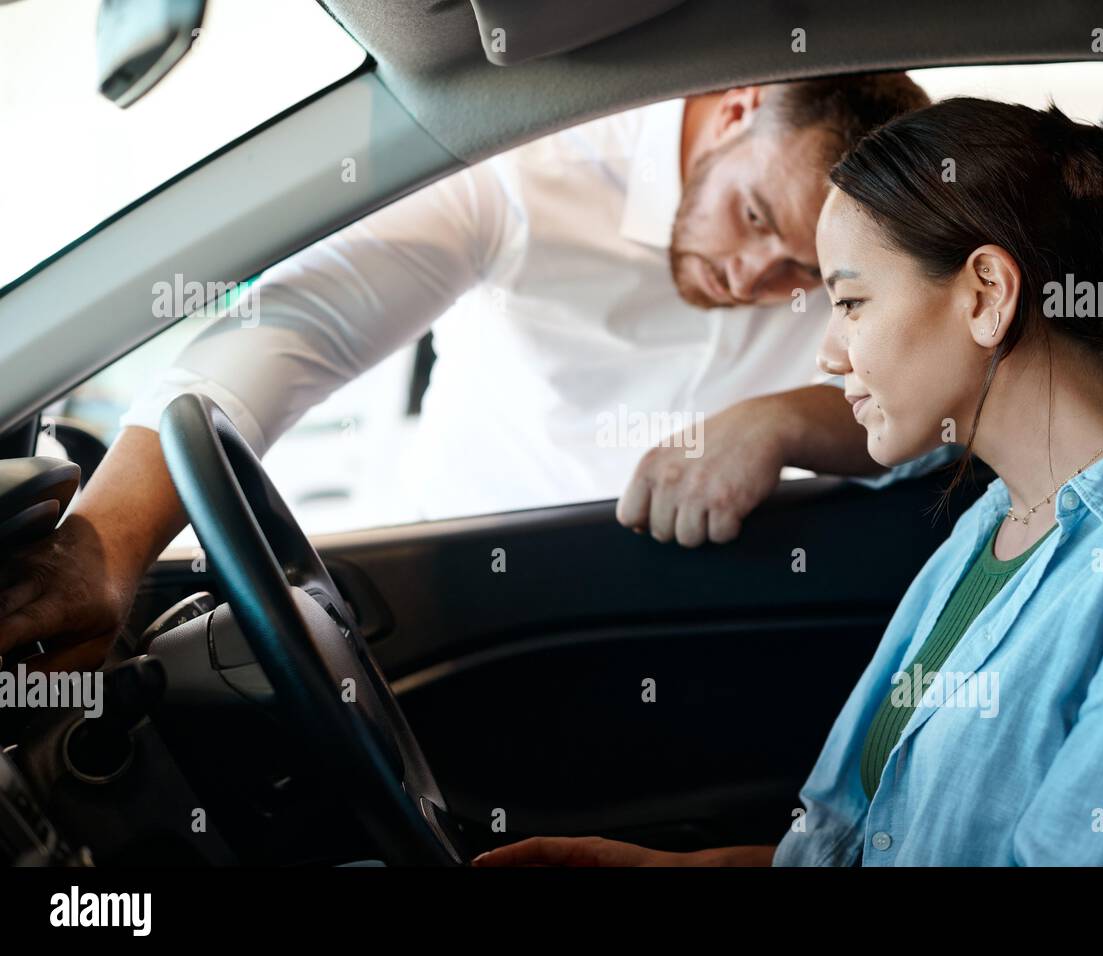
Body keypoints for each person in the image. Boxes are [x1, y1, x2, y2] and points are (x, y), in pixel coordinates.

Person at [473, 98, 1103, 867]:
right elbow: (849, 848)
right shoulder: (996, 521)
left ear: (986, 295)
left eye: (852, 302)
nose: (829, 354)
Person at [0, 74, 943, 670]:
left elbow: (934, 411)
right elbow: (291, 329)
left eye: (804, 276)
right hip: (465, 605)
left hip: (694, 622)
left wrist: (773, 419)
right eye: (751, 219)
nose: (755, 280)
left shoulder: (859, 253)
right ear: (738, 104)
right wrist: (109, 549)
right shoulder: (528, 154)